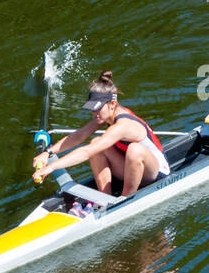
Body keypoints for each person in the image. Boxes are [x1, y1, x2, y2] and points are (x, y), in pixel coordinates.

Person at [32, 71, 169, 199]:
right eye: (92, 108)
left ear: (112, 104)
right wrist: (48, 152)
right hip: (131, 168)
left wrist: (50, 167)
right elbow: (79, 136)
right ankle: (103, 198)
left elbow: (86, 153)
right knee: (96, 143)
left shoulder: (123, 125)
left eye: (98, 108)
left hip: (156, 173)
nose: (94, 113)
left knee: (134, 150)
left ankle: (125, 199)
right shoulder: (106, 115)